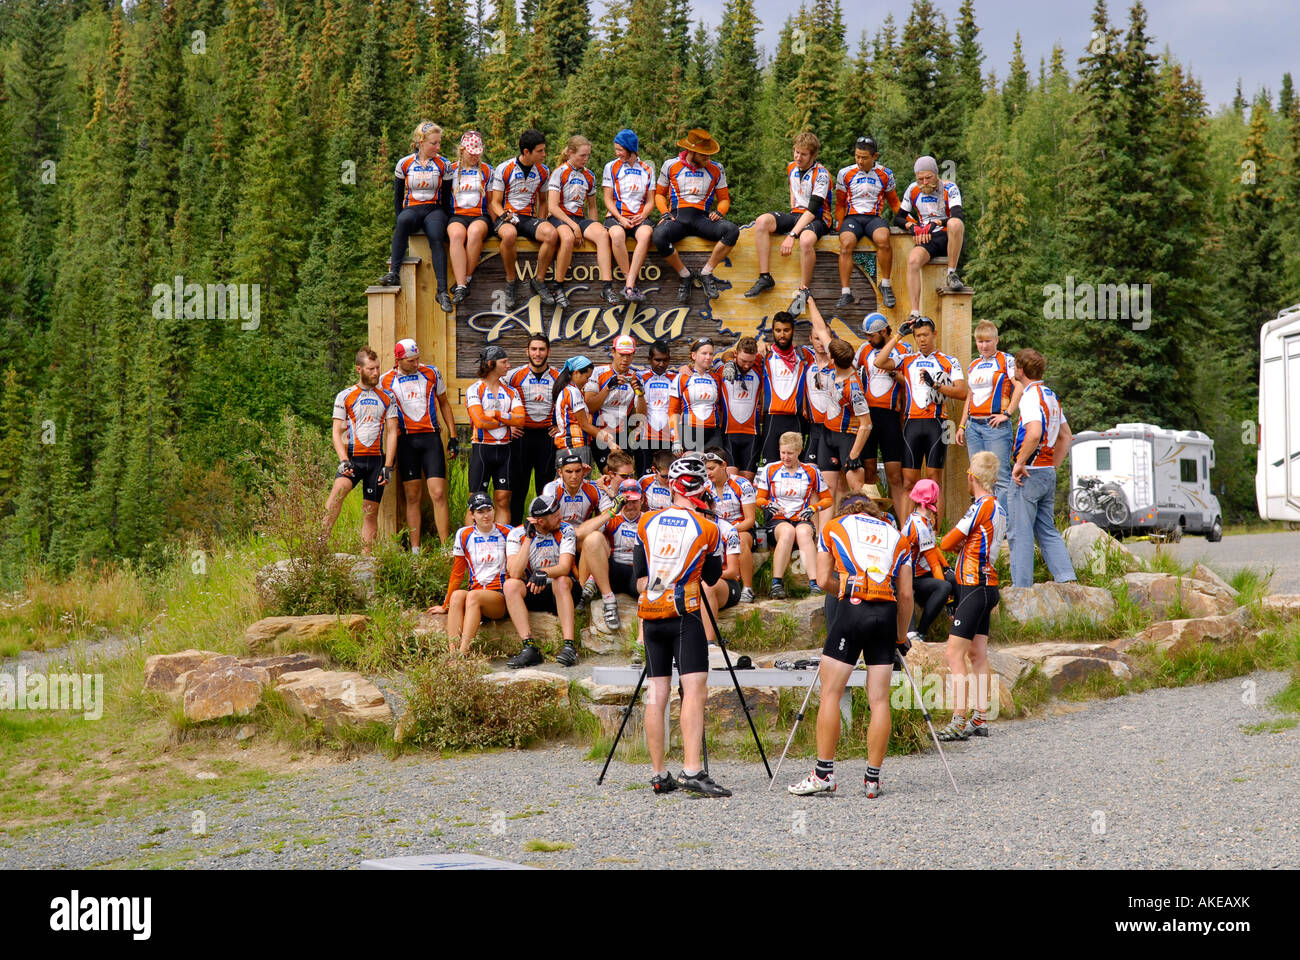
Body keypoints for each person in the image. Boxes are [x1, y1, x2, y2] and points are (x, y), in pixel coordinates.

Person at [788, 494, 913, 799]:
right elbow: (907, 595)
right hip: (885, 613)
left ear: (847, 508)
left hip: (852, 608)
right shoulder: (898, 537)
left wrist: (844, 586)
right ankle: (872, 781)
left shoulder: (834, 526)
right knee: (880, 699)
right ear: (873, 510)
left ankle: (823, 774)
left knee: (831, 691)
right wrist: (900, 636)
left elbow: (820, 577)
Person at [635, 455, 731, 797]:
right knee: (694, 691)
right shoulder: (709, 528)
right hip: (685, 613)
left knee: (656, 693)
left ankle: (659, 774)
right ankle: (691, 770)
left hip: (651, 611)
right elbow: (713, 576)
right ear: (699, 488)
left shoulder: (645, 521)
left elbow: (640, 575)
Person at [936, 452, 1006, 741]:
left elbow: (948, 541)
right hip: (989, 586)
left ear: (971, 477)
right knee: (978, 654)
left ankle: (958, 719)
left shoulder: (979, 506)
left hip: (972, 585)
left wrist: (958, 544)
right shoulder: (999, 507)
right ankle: (980, 715)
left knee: (954, 653)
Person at [874, 316, 967, 519]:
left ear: (934, 334)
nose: (922, 339)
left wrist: (937, 386)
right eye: (917, 336)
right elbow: (878, 361)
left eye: (925, 335)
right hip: (911, 424)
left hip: (938, 424)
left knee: (934, 481)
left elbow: (962, 392)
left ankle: (934, 534)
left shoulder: (948, 360)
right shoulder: (908, 359)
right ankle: (909, 531)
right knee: (908, 482)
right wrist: (898, 334)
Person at [380, 338, 459, 549]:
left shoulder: (431, 372)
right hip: (405, 440)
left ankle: (445, 548)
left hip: (431, 438)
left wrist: (453, 436)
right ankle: (415, 550)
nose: (416, 364)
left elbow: (444, 402)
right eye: (411, 361)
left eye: (417, 359)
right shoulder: (385, 379)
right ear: (399, 360)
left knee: (438, 493)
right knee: (412, 496)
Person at [1008, 349, 1077, 589]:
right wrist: (1053, 466)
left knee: (1020, 532)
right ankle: (1067, 579)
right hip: (1046, 471)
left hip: (1029, 472)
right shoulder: (1050, 395)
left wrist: (1020, 463)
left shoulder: (1029, 396)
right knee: (1047, 529)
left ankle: (1022, 590)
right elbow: (1066, 436)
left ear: (1021, 370)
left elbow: (1034, 432)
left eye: (1016, 366)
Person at [745, 132, 832, 314]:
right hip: (796, 213)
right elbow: (793, 189)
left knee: (806, 240)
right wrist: (793, 203)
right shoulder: (791, 167)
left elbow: (812, 209)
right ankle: (765, 276)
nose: (798, 157)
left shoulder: (822, 174)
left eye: (804, 154)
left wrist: (792, 235)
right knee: (762, 222)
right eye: (796, 152)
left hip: (817, 216)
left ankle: (803, 290)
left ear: (813, 155)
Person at [323, 347, 398, 552]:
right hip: (353, 459)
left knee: (370, 512)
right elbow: (336, 432)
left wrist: (388, 466)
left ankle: (365, 561)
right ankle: (319, 545)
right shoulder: (345, 395)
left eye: (378, 368)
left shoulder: (387, 397)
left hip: (376, 461)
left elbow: (392, 432)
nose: (376, 373)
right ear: (359, 369)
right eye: (371, 369)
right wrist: (343, 459)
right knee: (336, 496)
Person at [652, 128, 739, 303]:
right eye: (704, 154)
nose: (708, 158)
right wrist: (665, 213)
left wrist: (719, 211)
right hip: (678, 217)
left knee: (732, 230)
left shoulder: (716, 168)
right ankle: (685, 275)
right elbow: (659, 194)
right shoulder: (670, 165)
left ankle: (706, 273)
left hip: (702, 219)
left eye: (709, 154)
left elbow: (724, 199)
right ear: (691, 151)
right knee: (658, 235)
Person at [427, 493, 513, 657]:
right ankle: (452, 652)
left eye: (488, 510)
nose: (486, 515)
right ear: (472, 515)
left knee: (473, 596)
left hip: (499, 597)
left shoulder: (508, 532)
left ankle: (463, 653)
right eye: (480, 512)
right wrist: (445, 606)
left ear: (494, 510)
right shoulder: (464, 534)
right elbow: (457, 573)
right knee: (458, 596)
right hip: (475, 595)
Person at [502, 492, 581, 669]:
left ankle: (569, 646)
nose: (561, 516)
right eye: (555, 515)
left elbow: (565, 567)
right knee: (510, 585)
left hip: (561, 590)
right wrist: (529, 539)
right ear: (541, 521)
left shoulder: (565, 529)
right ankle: (529, 648)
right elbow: (514, 572)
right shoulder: (516, 534)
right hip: (533, 589)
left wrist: (542, 573)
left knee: (560, 580)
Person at [382, 121, 454, 313]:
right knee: (403, 221)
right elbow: (398, 197)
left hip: (434, 209)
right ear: (421, 142)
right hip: (412, 208)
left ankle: (442, 291)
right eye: (434, 143)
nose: (438, 147)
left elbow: (447, 197)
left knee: (436, 235)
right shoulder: (404, 163)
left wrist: (446, 219)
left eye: (439, 143)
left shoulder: (444, 164)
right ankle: (394, 273)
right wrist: (400, 217)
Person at [957, 320, 1023, 523]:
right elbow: (970, 395)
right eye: (979, 341)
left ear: (996, 340)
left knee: (1000, 477)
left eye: (987, 341)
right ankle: (983, 521)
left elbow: (1019, 388)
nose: (984, 345)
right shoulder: (974, 364)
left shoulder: (1006, 360)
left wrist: (1008, 413)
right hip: (973, 426)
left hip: (996, 426)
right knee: (977, 475)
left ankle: (1002, 524)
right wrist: (961, 425)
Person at [489, 129, 560, 310]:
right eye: (540, 151)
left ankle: (539, 280)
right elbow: (495, 203)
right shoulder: (504, 168)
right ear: (526, 152)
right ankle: (511, 281)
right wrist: (505, 216)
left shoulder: (544, 171)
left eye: (544, 150)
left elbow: (543, 201)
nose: (544, 154)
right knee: (510, 234)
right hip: (506, 216)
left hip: (528, 217)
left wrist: (541, 221)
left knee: (551, 234)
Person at [547, 134, 620, 307]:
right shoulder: (559, 173)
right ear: (571, 153)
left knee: (603, 234)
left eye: (588, 155)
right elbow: (552, 206)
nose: (586, 159)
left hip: (579, 218)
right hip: (560, 217)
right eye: (582, 156)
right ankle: (557, 287)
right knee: (568, 238)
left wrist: (594, 225)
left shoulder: (589, 175)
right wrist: (573, 226)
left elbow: (592, 207)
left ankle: (607, 287)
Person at [756, 431, 830, 598]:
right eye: (783, 452)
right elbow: (759, 499)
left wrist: (813, 508)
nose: (786, 457)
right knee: (788, 531)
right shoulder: (770, 469)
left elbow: (827, 499)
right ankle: (777, 583)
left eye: (790, 453)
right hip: (778, 520)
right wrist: (768, 505)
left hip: (802, 518)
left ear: (799, 451)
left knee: (802, 532)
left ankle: (814, 583)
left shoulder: (810, 471)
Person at [853, 313, 911, 520]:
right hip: (868, 416)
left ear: (884, 331)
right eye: (866, 335)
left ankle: (905, 527)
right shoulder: (863, 349)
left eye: (872, 335)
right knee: (868, 472)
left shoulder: (904, 350)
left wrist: (895, 375)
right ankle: (871, 520)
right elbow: (851, 373)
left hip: (891, 417)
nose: (868, 339)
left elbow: (911, 383)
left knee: (895, 475)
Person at [833, 136, 901, 310]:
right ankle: (845, 292)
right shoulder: (845, 173)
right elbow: (840, 203)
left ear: (875, 156)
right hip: (852, 217)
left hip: (874, 217)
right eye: (857, 156)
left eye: (864, 157)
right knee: (846, 243)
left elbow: (894, 202)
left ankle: (885, 284)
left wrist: (908, 221)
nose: (860, 161)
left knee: (884, 240)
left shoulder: (886, 173)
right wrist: (838, 224)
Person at [900, 156, 966, 319]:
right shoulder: (913, 189)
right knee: (913, 260)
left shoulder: (949, 188)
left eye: (928, 178)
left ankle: (952, 273)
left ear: (936, 174)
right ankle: (914, 311)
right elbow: (899, 217)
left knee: (955, 223)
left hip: (948, 235)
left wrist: (936, 222)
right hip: (929, 237)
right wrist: (914, 227)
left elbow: (958, 215)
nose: (924, 182)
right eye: (920, 179)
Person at [574, 478, 645, 630]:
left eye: (634, 501)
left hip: (637, 573)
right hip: (612, 571)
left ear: (642, 500)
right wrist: (612, 512)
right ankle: (607, 600)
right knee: (592, 539)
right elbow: (580, 533)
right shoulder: (613, 517)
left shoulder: (648, 519)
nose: (630, 506)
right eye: (626, 501)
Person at [465, 345, 525, 524]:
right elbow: (480, 422)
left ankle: (504, 545)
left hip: (505, 451)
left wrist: (498, 415)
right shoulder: (474, 389)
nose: (509, 366)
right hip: (482, 450)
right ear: (491, 364)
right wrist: (508, 420)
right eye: (504, 362)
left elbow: (521, 420)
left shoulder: (511, 391)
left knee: (503, 499)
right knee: (475, 501)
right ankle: (470, 545)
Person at [505, 333, 561, 526]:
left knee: (544, 487)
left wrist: (560, 425)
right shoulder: (513, 375)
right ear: (527, 351)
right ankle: (513, 530)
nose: (538, 354)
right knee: (517, 487)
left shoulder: (558, 376)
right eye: (534, 349)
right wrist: (509, 425)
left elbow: (569, 402)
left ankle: (543, 529)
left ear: (548, 352)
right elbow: (498, 398)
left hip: (547, 436)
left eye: (542, 349)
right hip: (522, 435)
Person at [602, 129, 657, 302]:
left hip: (639, 216)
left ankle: (629, 285)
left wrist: (643, 215)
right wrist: (620, 218)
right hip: (617, 216)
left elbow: (651, 200)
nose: (617, 153)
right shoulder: (611, 167)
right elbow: (608, 198)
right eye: (616, 149)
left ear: (631, 149)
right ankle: (630, 284)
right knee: (616, 235)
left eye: (620, 149)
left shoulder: (647, 169)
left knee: (646, 234)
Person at [756, 312, 816, 466]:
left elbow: (828, 349)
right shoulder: (765, 355)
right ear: (773, 332)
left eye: (786, 330)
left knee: (795, 468)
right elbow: (736, 355)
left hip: (795, 419)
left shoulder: (803, 355)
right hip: (772, 419)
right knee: (770, 468)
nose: (782, 335)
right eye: (778, 330)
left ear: (793, 331)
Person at [899, 478, 955, 644]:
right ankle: (920, 633)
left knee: (952, 577)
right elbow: (933, 563)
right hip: (910, 577)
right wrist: (948, 599)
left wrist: (947, 567)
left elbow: (934, 549)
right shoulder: (920, 525)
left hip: (917, 573)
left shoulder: (922, 518)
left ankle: (958, 626)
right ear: (934, 499)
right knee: (944, 586)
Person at [586, 335, 646, 473]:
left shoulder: (636, 377)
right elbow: (590, 407)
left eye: (629, 355)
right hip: (600, 432)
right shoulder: (598, 373)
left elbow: (639, 419)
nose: (625, 359)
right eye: (622, 354)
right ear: (613, 352)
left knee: (624, 474)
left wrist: (641, 395)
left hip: (622, 434)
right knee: (611, 473)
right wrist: (607, 388)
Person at [704, 447, 757, 603]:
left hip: (741, 527)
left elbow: (750, 519)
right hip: (716, 528)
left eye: (712, 468)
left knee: (740, 539)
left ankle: (748, 588)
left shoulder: (742, 484)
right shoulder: (705, 487)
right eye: (706, 469)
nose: (708, 473)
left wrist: (729, 531)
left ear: (724, 465)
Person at [446, 130, 493, 304]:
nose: (474, 157)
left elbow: (491, 200)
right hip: (457, 215)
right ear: (462, 150)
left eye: (477, 153)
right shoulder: (450, 170)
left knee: (474, 233)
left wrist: (498, 223)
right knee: (457, 235)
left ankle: (465, 280)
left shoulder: (487, 170)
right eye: (471, 153)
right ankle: (461, 286)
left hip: (479, 215)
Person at [552, 354, 620, 467]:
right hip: (574, 445)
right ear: (576, 373)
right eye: (586, 377)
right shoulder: (573, 392)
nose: (587, 381)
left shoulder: (568, 390)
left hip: (573, 445)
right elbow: (584, 425)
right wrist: (609, 442)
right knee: (575, 482)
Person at [715, 337, 763, 480]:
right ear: (735, 354)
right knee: (730, 482)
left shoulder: (758, 367)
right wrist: (729, 361)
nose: (747, 365)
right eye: (743, 361)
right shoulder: (722, 369)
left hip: (752, 434)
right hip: (729, 433)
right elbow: (700, 365)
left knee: (746, 484)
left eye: (750, 361)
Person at [670, 338, 723, 454]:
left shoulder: (716, 378)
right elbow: (673, 411)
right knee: (691, 470)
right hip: (689, 432)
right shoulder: (681, 377)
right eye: (704, 353)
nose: (708, 357)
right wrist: (676, 439)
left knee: (712, 469)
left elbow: (721, 407)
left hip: (713, 433)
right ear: (693, 355)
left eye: (711, 354)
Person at [632, 340, 677, 476]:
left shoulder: (676, 378)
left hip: (668, 436)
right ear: (649, 359)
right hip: (645, 436)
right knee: (644, 477)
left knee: (667, 477)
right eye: (657, 360)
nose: (661, 364)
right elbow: (638, 414)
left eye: (665, 360)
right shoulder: (640, 377)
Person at [541, 451, 613, 527]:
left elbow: (609, 514)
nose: (574, 476)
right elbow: (548, 519)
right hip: (557, 532)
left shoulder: (595, 487)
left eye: (578, 471)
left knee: (597, 535)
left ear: (584, 472)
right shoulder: (551, 488)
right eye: (569, 472)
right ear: (560, 473)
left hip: (584, 533)